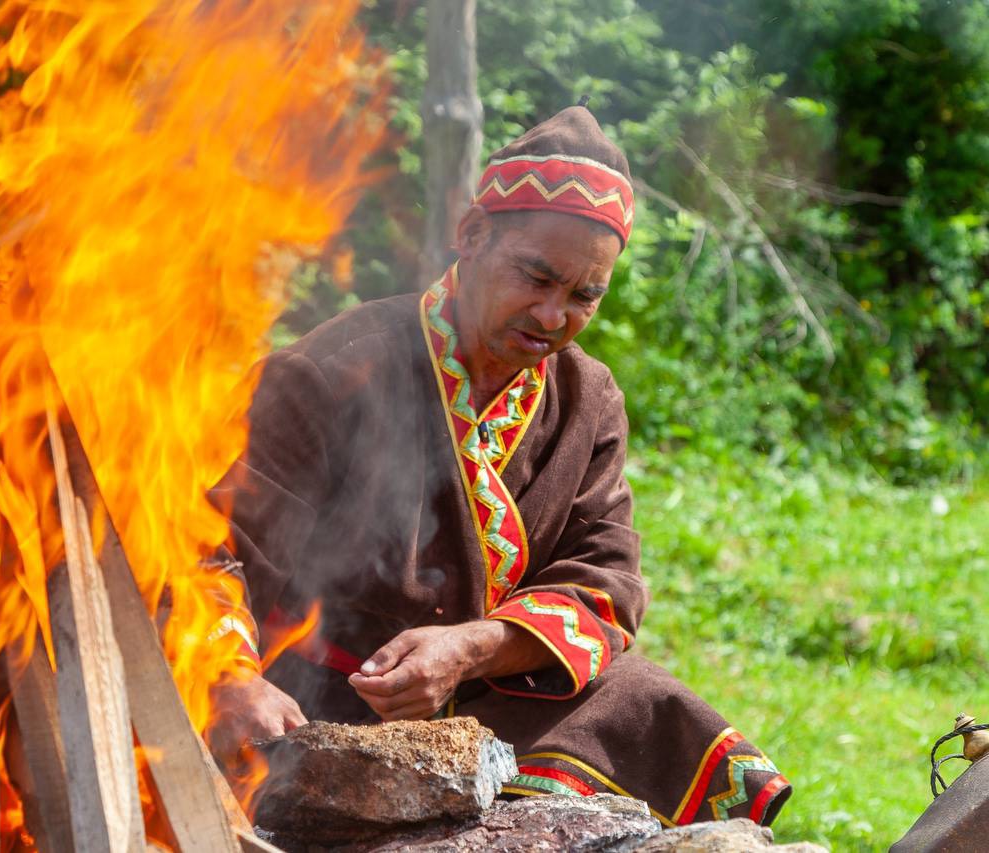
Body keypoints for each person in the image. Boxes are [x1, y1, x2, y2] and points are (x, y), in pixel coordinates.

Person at [205, 104, 791, 827]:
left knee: (661, 718)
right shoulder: (330, 371)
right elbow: (208, 543)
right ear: (472, 237)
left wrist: (471, 647)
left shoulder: (589, 398)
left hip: (488, 689)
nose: (553, 316)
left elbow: (606, 583)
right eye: (535, 277)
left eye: (585, 296)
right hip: (322, 697)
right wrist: (232, 679)